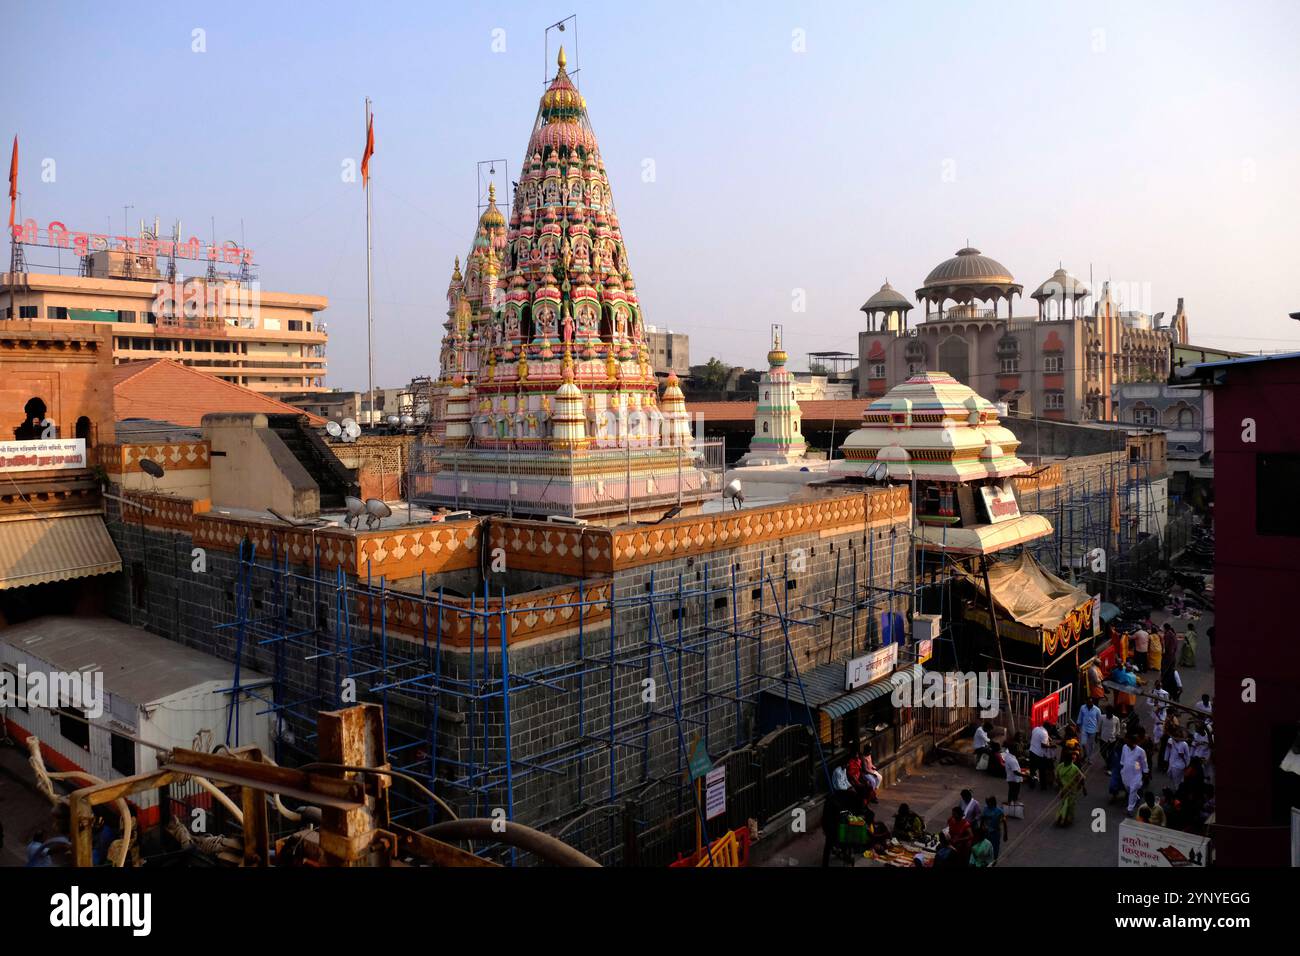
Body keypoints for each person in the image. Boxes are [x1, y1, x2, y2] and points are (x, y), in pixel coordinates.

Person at [1121, 733, 1150, 815]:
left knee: (1133, 789)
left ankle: (1130, 809)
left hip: (1136, 774)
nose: (1127, 742)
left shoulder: (1141, 751)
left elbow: (1144, 763)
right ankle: (1136, 798)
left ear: (1133, 742)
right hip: (1126, 773)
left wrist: (1145, 773)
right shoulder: (1125, 747)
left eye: (1128, 741)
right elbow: (1123, 760)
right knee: (1128, 788)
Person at [1055, 752, 1087, 827]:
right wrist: (1060, 785)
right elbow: (1057, 777)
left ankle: (1068, 819)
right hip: (1063, 789)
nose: (1066, 762)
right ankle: (1061, 818)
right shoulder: (1060, 766)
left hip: (1072, 790)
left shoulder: (1074, 768)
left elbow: (1081, 778)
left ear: (1070, 761)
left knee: (1070, 805)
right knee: (1063, 804)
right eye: (1066, 760)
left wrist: (1084, 788)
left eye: (1068, 760)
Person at [1028, 721, 1056, 789]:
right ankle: (1043, 786)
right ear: (1048, 727)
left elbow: (1036, 737)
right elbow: (1043, 745)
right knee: (1042, 770)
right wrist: (1051, 746)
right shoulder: (1044, 733)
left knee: (1032, 770)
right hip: (1039, 754)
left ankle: (1032, 784)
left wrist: (1048, 738)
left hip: (1031, 751)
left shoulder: (1036, 729)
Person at [982, 796, 1008, 861]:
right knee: (986, 847)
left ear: (992, 802)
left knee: (995, 848)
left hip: (995, 833)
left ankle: (994, 861)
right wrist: (982, 827)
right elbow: (983, 819)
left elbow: (1004, 822)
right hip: (986, 832)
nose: (987, 804)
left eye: (988, 802)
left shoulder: (999, 811)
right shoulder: (985, 809)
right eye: (986, 802)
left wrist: (1005, 834)